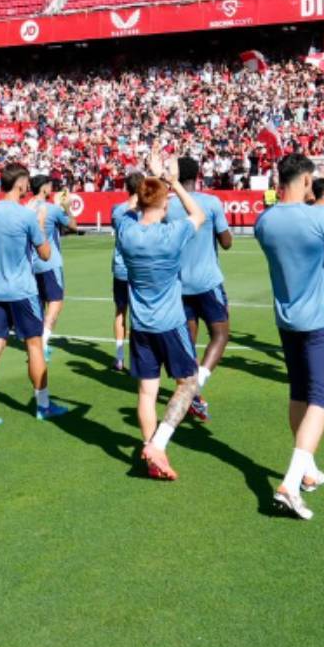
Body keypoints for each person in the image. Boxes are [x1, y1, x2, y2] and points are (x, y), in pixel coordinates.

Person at [253, 154, 324, 520]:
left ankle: (306, 469)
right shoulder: (321, 218)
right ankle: (290, 483)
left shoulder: (265, 222)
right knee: (320, 399)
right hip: (319, 319)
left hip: (286, 319)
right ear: (307, 181)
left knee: (298, 392)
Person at [117, 156, 208, 481]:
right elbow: (198, 213)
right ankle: (158, 443)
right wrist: (171, 183)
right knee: (189, 382)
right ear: (165, 204)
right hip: (170, 322)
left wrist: (148, 186)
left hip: (140, 325)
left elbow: (125, 210)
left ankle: (151, 453)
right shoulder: (172, 234)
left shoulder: (126, 231)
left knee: (146, 394)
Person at [0, 164, 61, 428]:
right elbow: (45, 254)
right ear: (22, 183)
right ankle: (43, 405)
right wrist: (41, 225)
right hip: (22, 291)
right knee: (34, 346)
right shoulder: (26, 216)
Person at [176, 156, 232, 421]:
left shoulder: (167, 205)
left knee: (189, 341)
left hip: (179, 283)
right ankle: (195, 388)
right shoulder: (210, 202)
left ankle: (191, 394)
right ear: (198, 175)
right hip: (207, 281)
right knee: (220, 335)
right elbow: (227, 242)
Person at [28, 173, 74, 359]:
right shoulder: (51, 209)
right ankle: (43, 343)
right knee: (55, 302)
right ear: (44, 188)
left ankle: (37, 341)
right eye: (49, 185)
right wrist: (67, 207)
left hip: (32, 262)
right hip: (50, 261)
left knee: (39, 303)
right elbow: (73, 225)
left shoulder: (27, 207)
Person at [110, 173, 142, 371]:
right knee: (138, 314)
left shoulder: (117, 210)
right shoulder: (145, 211)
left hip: (120, 267)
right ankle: (137, 357)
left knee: (120, 311)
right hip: (138, 268)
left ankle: (120, 356)